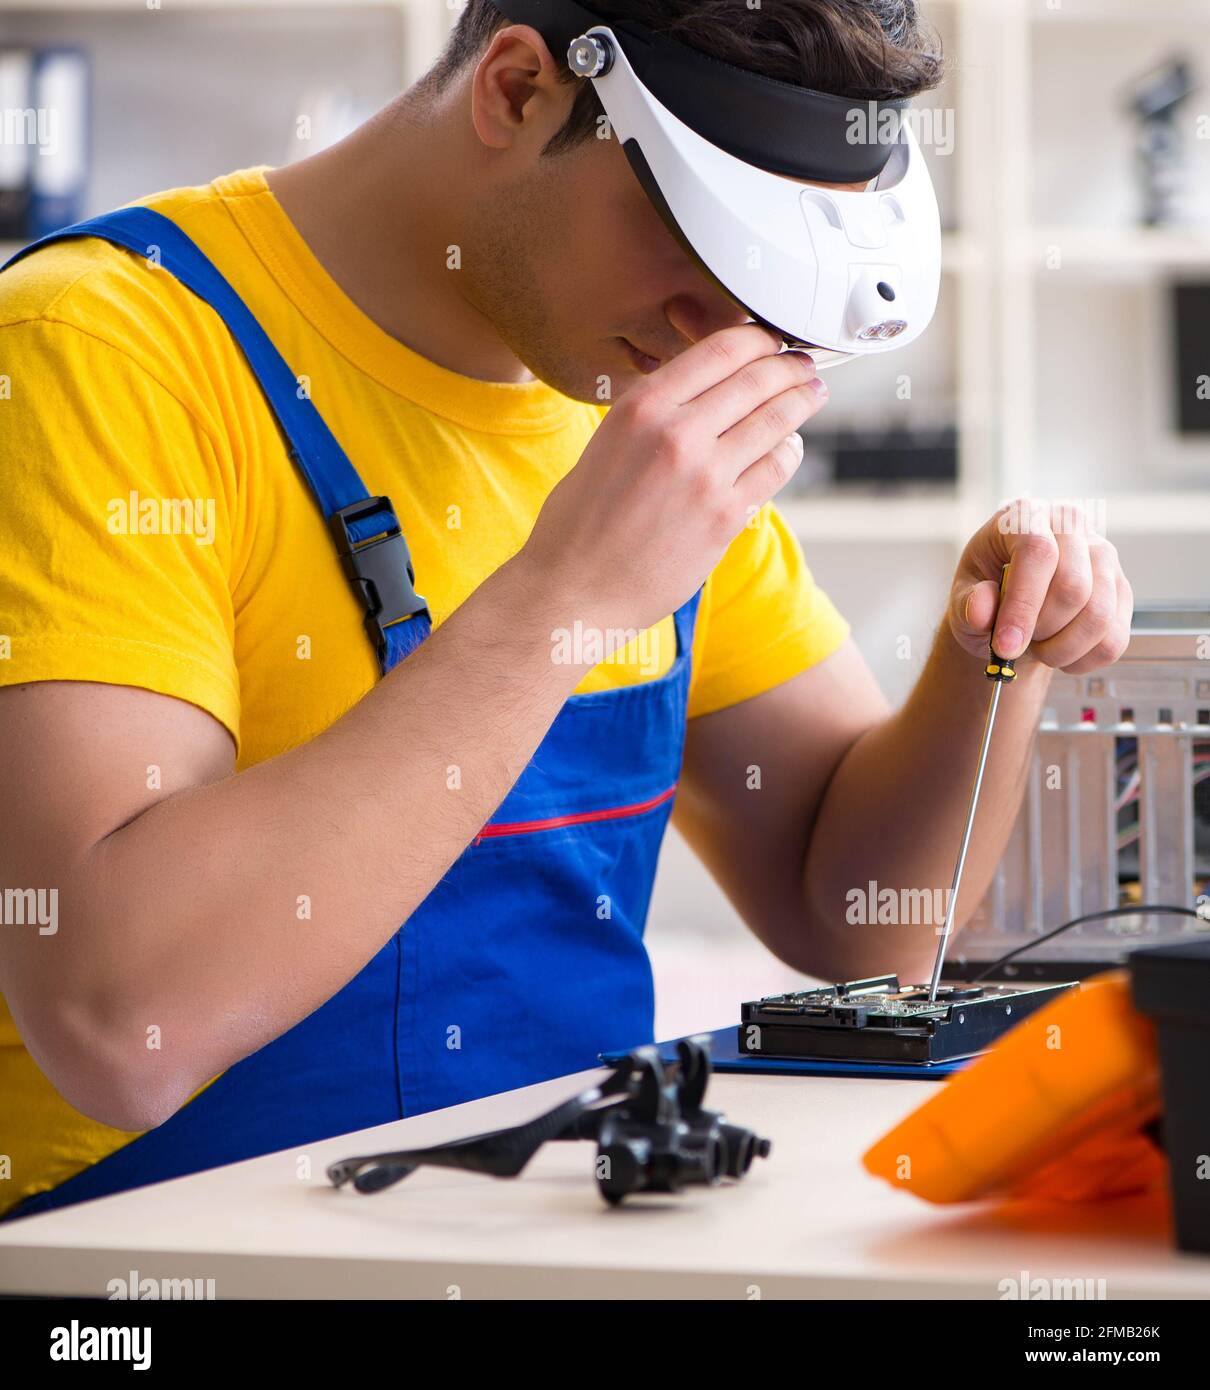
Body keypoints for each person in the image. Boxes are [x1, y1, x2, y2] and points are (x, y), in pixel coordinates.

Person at [0, 0, 1131, 1219]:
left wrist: (993, 655)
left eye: (768, 277)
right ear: (517, 89)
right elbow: (122, 1026)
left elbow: (856, 918)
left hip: (549, 1235)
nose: (723, 331)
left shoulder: (618, 381)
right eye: (699, 241)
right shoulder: (101, 350)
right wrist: (569, 595)